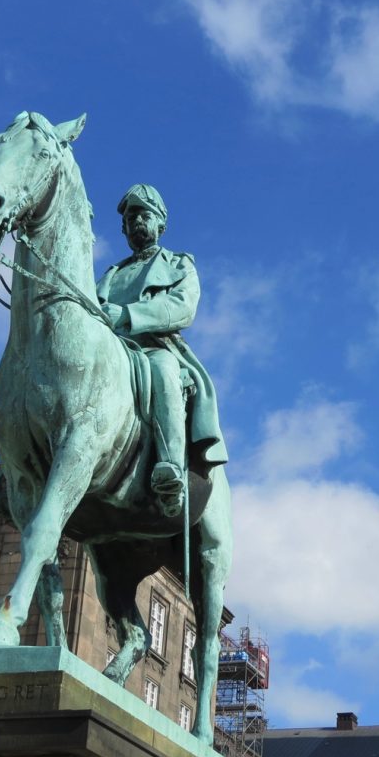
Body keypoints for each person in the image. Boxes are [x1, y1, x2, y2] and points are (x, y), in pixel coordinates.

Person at [97, 185, 227, 517]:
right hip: (110, 349)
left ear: (161, 224)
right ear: (123, 228)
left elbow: (183, 307)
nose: (137, 221)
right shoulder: (111, 274)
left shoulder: (179, 264)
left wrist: (128, 315)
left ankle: (169, 470)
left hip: (154, 348)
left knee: (164, 373)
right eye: (130, 217)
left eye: (145, 214)